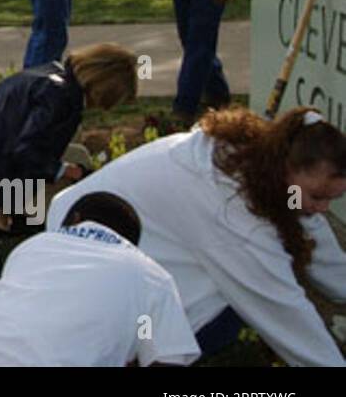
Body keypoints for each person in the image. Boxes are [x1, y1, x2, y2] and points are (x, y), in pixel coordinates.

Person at [49, 107, 346, 366]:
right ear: (287, 168)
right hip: (83, 253)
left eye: (331, 198)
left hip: (97, 226)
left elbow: (312, 233)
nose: (322, 208)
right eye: (318, 196)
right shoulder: (229, 211)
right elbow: (282, 310)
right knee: (231, 302)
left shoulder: (262, 158)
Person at [0, 192, 200, 366]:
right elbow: (161, 353)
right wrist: (140, 341)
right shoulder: (149, 276)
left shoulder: (34, 247)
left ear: (75, 219)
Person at [0, 43, 137, 234]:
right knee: (64, 183)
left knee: (78, 156)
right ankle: (29, 224)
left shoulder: (56, 74)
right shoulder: (60, 98)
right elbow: (26, 153)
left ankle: (4, 215)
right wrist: (65, 171)